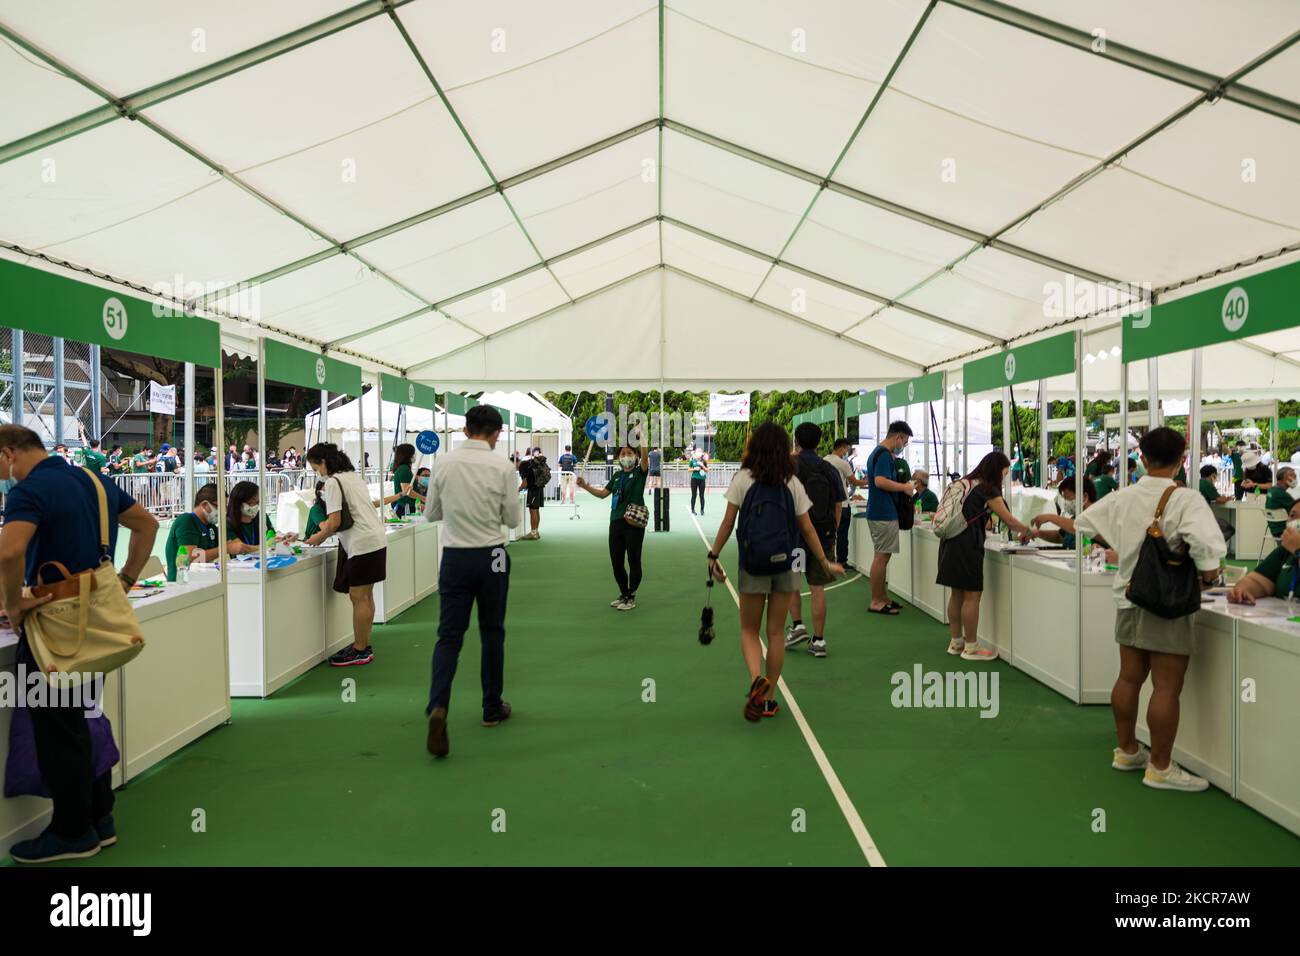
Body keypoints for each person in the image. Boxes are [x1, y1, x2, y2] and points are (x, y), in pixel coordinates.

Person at [0, 423, 158, 863]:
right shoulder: (90, 478)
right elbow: (147, 524)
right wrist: (126, 578)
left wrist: (13, 605)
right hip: (96, 620)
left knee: (57, 730)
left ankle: (73, 832)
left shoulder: (27, 491)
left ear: (9, 453)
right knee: (86, 717)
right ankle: (99, 817)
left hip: (54, 623)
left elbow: (9, 553)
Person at [1075, 427, 1226, 793]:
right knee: (1167, 686)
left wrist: (1122, 546)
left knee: (1129, 678)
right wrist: (1209, 575)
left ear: (1142, 458)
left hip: (1129, 594)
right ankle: (1160, 766)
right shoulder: (1186, 499)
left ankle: (1127, 750)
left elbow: (1083, 522)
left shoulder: (1123, 496)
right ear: (1182, 460)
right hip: (1169, 603)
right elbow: (1208, 552)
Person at [706, 423, 843, 721]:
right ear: (784, 449)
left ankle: (756, 677)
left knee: (748, 630)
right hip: (786, 563)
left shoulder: (743, 478)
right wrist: (823, 561)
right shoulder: (791, 482)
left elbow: (729, 523)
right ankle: (768, 699)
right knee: (776, 633)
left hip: (753, 563)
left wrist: (713, 555)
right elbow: (806, 528)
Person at [422, 406, 521, 757]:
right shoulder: (504, 467)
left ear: (465, 430)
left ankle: (438, 705)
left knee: (449, 636)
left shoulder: (443, 463)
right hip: (491, 554)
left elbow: (431, 513)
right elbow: (511, 518)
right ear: (496, 433)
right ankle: (491, 707)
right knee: (492, 631)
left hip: (454, 556)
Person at [937, 452, 1028, 661]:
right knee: (972, 595)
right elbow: (1009, 520)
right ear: (997, 470)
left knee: (957, 594)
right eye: (1005, 473)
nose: (1005, 477)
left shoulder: (966, 482)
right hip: (968, 544)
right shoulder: (988, 489)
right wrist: (1031, 531)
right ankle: (971, 647)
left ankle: (956, 641)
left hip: (950, 541)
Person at [305, 443, 388, 667]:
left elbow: (334, 522)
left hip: (361, 544)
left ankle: (359, 649)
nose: (317, 473)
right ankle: (363, 645)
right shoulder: (353, 477)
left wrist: (316, 538)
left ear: (323, 462)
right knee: (366, 596)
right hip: (375, 539)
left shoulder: (333, 483)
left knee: (358, 597)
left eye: (315, 468)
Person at [784, 422, 846, 658]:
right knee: (817, 588)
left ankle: (798, 625)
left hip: (794, 537)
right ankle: (819, 641)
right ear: (819, 443)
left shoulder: (788, 467)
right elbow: (838, 504)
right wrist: (832, 531)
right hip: (823, 536)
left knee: (792, 581)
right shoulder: (828, 468)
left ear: (796, 441)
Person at [576, 437, 650, 610]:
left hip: (633, 524)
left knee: (633, 561)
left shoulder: (640, 472)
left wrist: (643, 438)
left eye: (629, 453)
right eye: (623, 454)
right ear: (618, 458)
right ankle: (624, 593)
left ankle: (631, 595)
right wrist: (585, 486)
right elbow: (603, 494)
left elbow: (646, 458)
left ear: (636, 456)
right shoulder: (617, 476)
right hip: (616, 522)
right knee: (616, 563)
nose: (626, 456)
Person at [865, 421, 915, 615]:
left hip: (883, 512)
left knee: (882, 556)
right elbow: (880, 481)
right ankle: (876, 600)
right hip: (882, 513)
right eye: (905, 441)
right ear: (898, 437)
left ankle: (881, 596)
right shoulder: (884, 455)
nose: (904, 445)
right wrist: (904, 488)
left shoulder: (879, 454)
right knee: (881, 557)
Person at [1227, 500, 1300, 605]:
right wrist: (1242, 589)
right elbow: (1258, 581)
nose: (1296, 521)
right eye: (1292, 515)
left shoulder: (1294, 548)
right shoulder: (1285, 551)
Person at [164, 484, 239, 581]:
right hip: (183, 583)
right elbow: (190, 559)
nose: (224, 511)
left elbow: (227, 546)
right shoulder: (187, 522)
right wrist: (225, 548)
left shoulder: (210, 526)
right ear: (205, 505)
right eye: (220, 507)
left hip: (203, 580)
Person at [825, 437, 867, 567]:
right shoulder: (843, 463)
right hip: (842, 504)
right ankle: (842, 561)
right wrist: (868, 481)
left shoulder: (824, 460)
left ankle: (828, 558)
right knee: (842, 534)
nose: (847, 453)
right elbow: (854, 481)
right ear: (841, 447)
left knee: (829, 533)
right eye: (846, 449)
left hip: (828, 503)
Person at [1028, 475, 1098, 549]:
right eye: (1064, 499)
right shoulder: (1077, 516)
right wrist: (1037, 533)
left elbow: (1078, 527)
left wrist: (1050, 517)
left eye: (1068, 498)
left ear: (1084, 496)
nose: (1065, 503)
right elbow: (1060, 536)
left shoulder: (1097, 515)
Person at [225, 480, 284, 552]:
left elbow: (273, 539)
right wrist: (266, 546)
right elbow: (242, 549)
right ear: (239, 503)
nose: (255, 506)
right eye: (251, 503)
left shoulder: (262, 517)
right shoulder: (227, 524)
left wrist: (284, 538)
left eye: (258, 502)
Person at [517, 447, 545, 540]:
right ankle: (536, 531)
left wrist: (517, 490)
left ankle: (533, 533)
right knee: (536, 509)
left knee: (532, 510)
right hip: (539, 487)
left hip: (533, 488)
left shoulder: (522, 466)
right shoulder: (529, 463)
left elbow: (524, 484)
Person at [1264, 466, 1296, 539]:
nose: (1294, 479)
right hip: (1283, 530)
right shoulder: (1281, 494)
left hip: (1275, 529)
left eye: (1295, 476)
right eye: (1292, 476)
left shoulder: (1272, 491)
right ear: (1282, 479)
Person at [389, 442, 417, 518]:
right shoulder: (404, 469)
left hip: (404, 506)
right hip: (405, 507)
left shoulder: (403, 468)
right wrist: (424, 498)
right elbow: (408, 492)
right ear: (407, 455)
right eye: (413, 453)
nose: (414, 455)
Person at [688, 447, 708, 515]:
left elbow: (707, 470)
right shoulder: (692, 461)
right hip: (694, 479)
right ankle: (693, 510)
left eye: (700, 452)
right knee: (694, 495)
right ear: (695, 453)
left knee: (701, 495)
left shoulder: (704, 461)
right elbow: (688, 470)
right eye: (697, 452)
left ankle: (702, 510)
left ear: (702, 453)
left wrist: (702, 465)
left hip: (702, 480)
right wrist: (694, 469)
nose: (698, 453)